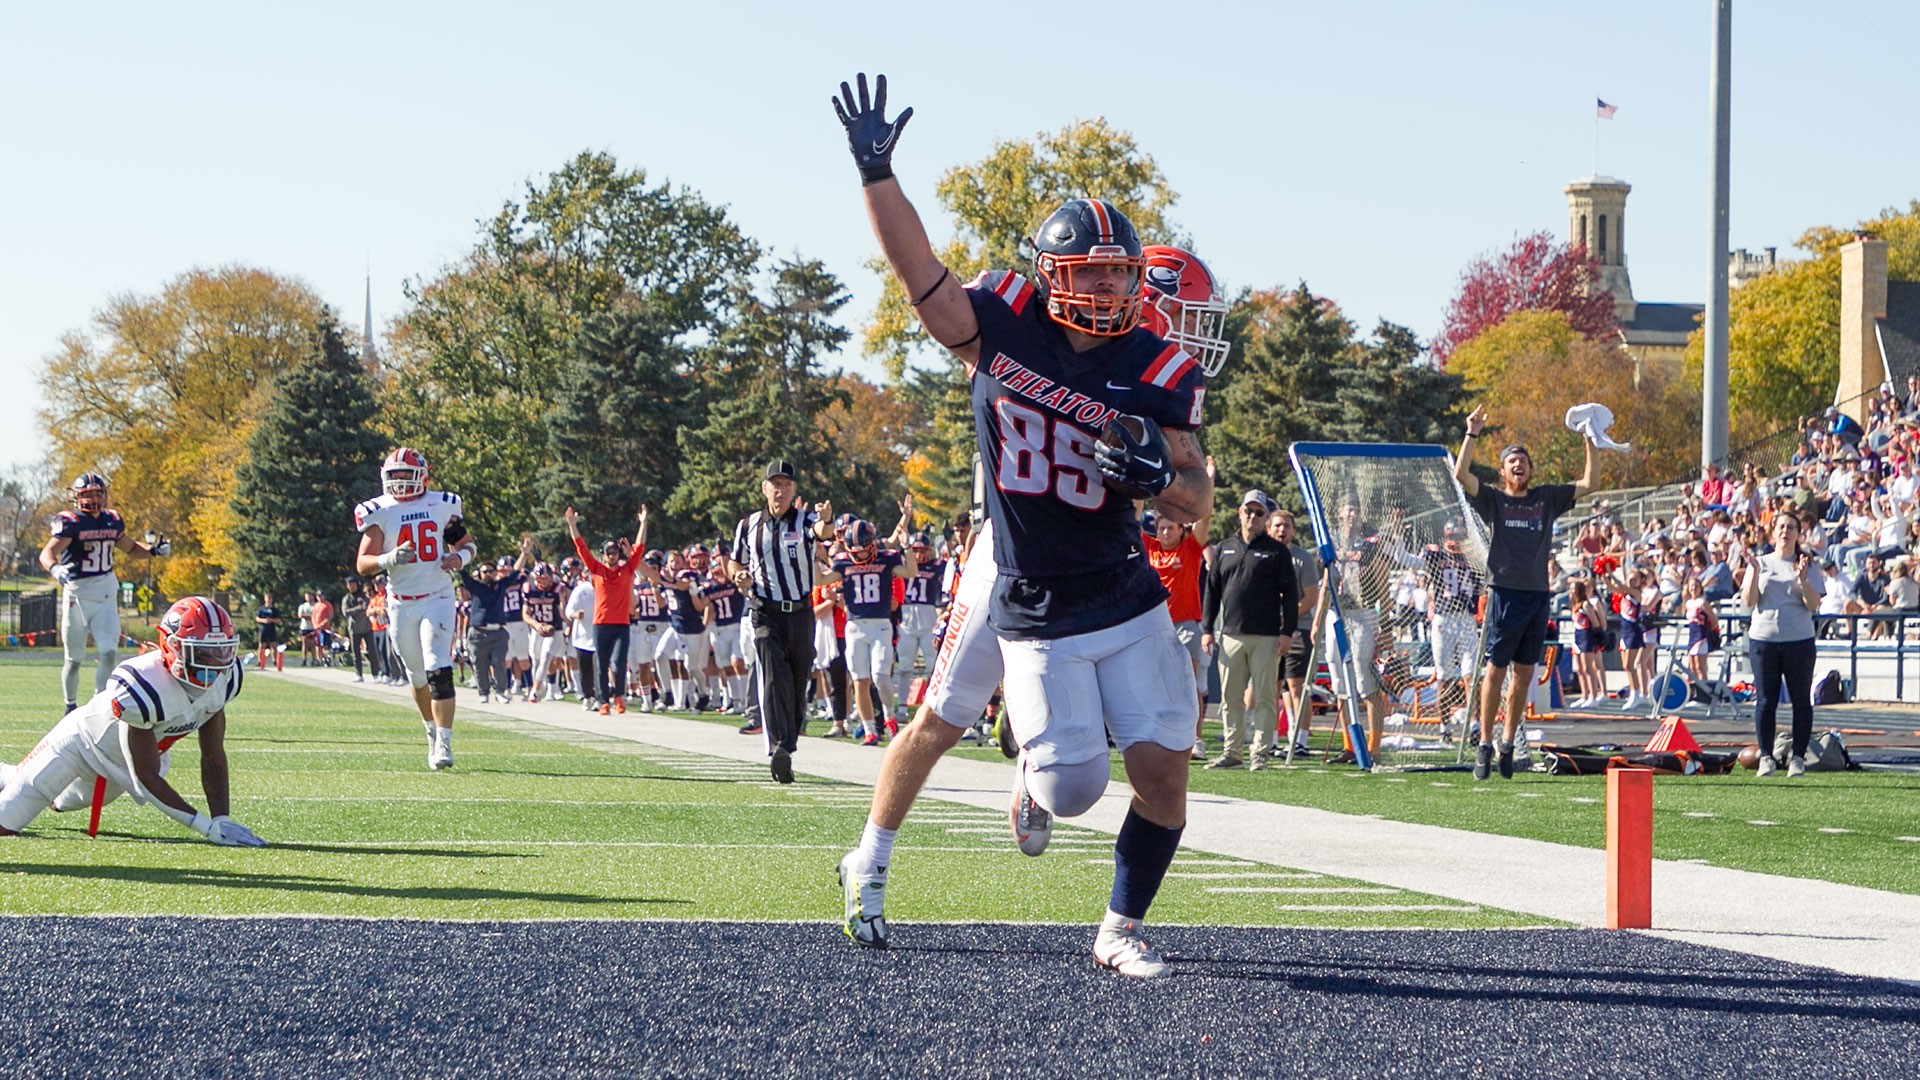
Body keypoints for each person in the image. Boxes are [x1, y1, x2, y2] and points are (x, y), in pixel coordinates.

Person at [830, 73, 1212, 977]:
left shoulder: (1156, 364)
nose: (1110, 286)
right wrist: (877, 174)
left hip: (1113, 579)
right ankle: (875, 856)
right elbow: (919, 274)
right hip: (1011, 568)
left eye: (1121, 272)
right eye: (1093, 271)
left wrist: (1163, 480)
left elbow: (1197, 496)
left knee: (1163, 771)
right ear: (1049, 276)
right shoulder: (1001, 319)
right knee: (965, 731)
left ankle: (1118, 926)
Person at [0, 597, 263, 847]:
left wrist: (222, 819)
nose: (214, 664)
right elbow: (145, 777)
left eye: (220, 651)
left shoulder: (226, 681)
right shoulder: (141, 684)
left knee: (57, 803)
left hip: (120, 769)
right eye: (202, 653)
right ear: (172, 646)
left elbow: (213, 756)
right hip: (79, 747)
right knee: (5, 823)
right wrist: (207, 828)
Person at [1455, 405, 1594, 781]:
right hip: (1503, 593)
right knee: (1494, 671)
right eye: (1511, 461)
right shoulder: (1494, 500)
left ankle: (1507, 742)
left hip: (1537, 595)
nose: (1518, 464)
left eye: (1523, 460)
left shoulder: (1545, 498)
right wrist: (1472, 432)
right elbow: (1461, 474)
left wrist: (1590, 440)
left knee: (1524, 674)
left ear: (1531, 470)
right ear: (1503, 472)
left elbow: (1589, 483)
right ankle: (1485, 743)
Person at [352, 446, 477, 771]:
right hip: (401, 603)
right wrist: (388, 558)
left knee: (438, 667)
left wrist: (459, 558)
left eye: (406, 474)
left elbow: (467, 545)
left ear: (422, 475)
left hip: (438, 597)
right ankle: (431, 732)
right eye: (395, 475)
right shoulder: (379, 510)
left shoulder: (441, 504)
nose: (400, 480)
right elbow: (363, 564)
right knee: (418, 676)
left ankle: (445, 741)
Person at [725, 459, 833, 784]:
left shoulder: (804, 520)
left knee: (798, 681)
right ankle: (778, 748)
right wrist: (738, 576)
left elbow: (822, 532)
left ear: (794, 489)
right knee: (774, 677)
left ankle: (789, 742)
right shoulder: (748, 525)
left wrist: (827, 520)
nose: (781, 491)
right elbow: (734, 562)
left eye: (786, 485)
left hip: (800, 611)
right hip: (765, 610)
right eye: (776, 484)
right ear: (765, 488)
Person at [40, 472, 167, 713]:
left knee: (109, 653)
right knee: (74, 660)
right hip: (77, 595)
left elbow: (131, 547)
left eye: (98, 494)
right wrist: (55, 568)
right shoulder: (71, 522)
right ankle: (70, 706)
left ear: (105, 495)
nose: (94, 499)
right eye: (88, 495)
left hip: (106, 594)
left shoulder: (112, 520)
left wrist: (153, 550)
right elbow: (47, 553)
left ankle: (98, 705)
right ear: (77, 497)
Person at [1201, 490, 1298, 770]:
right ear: (1239, 513)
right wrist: (1207, 628)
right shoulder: (1224, 548)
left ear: (1266, 517)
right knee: (1231, 698)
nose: (1252, 517)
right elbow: (1212, 591)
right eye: (1248, 511)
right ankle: (1232, 752)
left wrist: (1287, 632)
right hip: (1231, 634)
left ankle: (1260, 753)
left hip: (1267, 636)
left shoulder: (1277, 551)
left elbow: (1290, 595)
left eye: (1258, 513)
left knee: (1265, 698)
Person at [1735, 514, 1822, 778]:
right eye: (1781, 526)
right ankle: (1766, 757)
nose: (1785, 531)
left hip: (1799, 640)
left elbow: (1813, 604)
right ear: (1773, 532)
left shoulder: (1806, 563)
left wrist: (1803, 579)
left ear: (1798, 533)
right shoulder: (1760, 562)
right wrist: (1753, 571)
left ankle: (1798, 758)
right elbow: (1749, 601)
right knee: (1765, 701)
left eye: (1791, 527)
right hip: (1764, 640)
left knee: (1801, 701)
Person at [826, 513, 918, 747]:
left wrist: (907, 547)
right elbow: (820, 579)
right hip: (854, 626)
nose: (859, 555)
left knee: (880, 677)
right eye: (854, 551)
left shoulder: (886, 558)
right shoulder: (843, 562)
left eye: (863, 550)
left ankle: (889, 717)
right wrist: (809, 552)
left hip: (880, 625)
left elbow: (911, 572)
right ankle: (869, 731)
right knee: (859, 680)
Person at [567, 505, 651, 715]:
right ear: (603, 555)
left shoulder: (627, 570)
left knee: (619, 662)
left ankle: (619, 696)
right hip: (601, 624)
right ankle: (603, 701)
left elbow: (639, 548)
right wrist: (572, 525)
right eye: (608, 553)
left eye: (615, 553)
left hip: (621, 624)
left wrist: (643, 523)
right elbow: (581, 548)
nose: (612, 556)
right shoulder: (597, 570)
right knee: (601, 664)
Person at [1267, 508, 1322, 754]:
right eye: (1277, 525)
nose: (1282, 530)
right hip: (1268, 629)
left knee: (1297, 686)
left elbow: (1310, 597)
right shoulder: (1262, 555)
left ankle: (1300, 740)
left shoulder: (1302, 558)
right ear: (1269, 529)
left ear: (1293, 530)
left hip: (1298, 628)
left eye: (1286, 526)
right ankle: (1270, 740)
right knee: (1271, 687)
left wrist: (1287, 619)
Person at [457, 557, 514, 705]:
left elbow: (515, 571)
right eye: (485, 571)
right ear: (479, 574)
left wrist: (525, 554)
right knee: (479, 664)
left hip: (498, 632)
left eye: (491, 571)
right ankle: (483, 693)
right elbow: (462, 572)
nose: (488, 574)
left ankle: (500, 691)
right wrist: (457, 554)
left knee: (499, 662)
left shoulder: (500, 585)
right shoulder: (475, 587)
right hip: (478, 632)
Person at [521, 563, 565, 703]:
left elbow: (563, 610)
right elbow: (525, 614)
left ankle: (535, 690)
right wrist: (536, 624)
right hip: (538, 628)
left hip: (554, 629)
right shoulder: (529, 589)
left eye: (546, 578)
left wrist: (567, 622)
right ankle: (541, 688)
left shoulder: (558, 589)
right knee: (536, 660)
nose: (544, 581)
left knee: (546, 658)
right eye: (541, 578)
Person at [563, 569, 597, 711]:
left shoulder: (606, 588)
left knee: (599, 668)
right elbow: (568, 610)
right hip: (582, 636)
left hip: (600, 634)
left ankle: (599, 697)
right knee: (585, 669)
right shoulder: (581, 590)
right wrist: (575, 614)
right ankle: (587, 696)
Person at [339, 577, 380, 683]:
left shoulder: (364, 596)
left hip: (367, 627)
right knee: (356, 653)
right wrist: (359, 608)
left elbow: (367, 607)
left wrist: (356, 610)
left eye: (353, 584)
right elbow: (346, 612)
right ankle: (358, 674)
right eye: (349, 585)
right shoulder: (346, 598)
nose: (351, 586)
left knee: (372, 652)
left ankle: (375, 674)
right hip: (354, 629)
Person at [254, 593, 283, 672]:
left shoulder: (274, 610)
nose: (268, 600)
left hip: (271, 629)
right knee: (261, 645)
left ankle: (275, 661)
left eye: (270, 598)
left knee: (273, 645)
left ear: (272, 600)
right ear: (265, 599)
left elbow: (278, 620)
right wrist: (264, 620)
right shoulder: (261, 609)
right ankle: (260, 661)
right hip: (263, 629)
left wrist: (271, 620)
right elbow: (257, 618)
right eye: (267, 598)